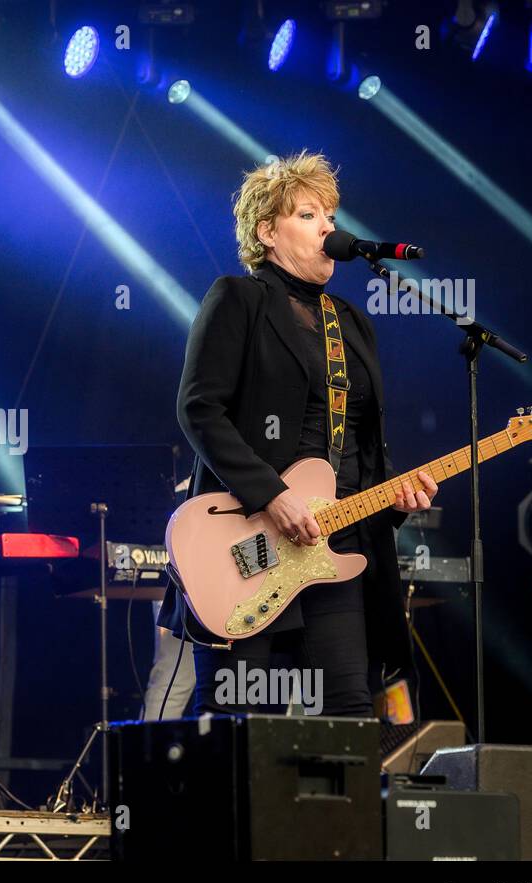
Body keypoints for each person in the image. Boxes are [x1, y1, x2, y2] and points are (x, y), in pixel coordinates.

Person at [156, 152, 438, 718]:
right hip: (249, 537)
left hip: (335, 545)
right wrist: (272, 496)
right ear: (267, 231)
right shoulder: (239, 299)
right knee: (239, 717)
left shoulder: (352, 323)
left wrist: (396, 500)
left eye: (330, 216)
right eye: (309, 215)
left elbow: (360, 442)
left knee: (348, 715)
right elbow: (199, 408)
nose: (328, 227)